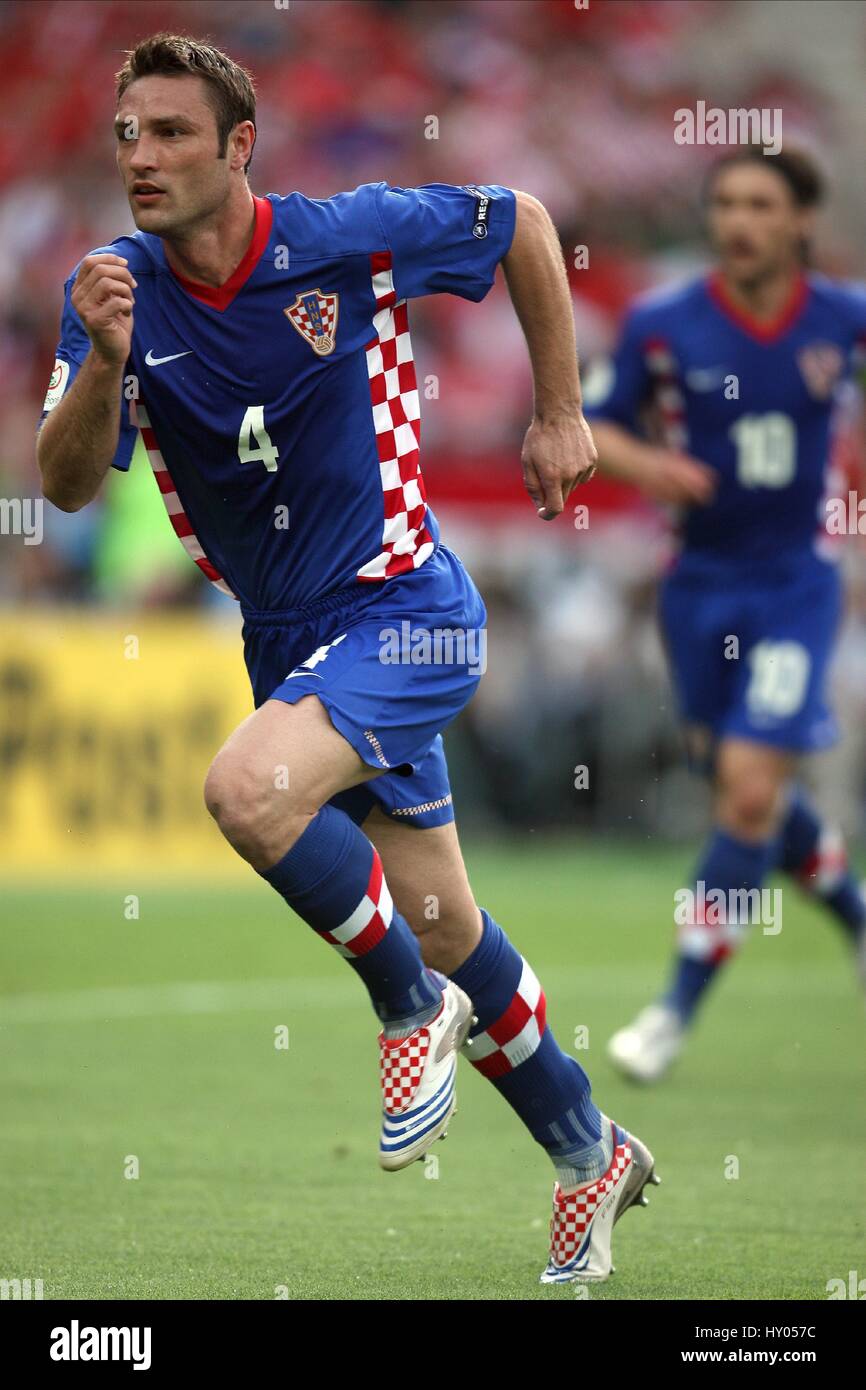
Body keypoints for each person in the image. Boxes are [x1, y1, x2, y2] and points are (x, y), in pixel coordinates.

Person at [36, 33, 657, 1283]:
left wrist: (557, 409)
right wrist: (100, 361)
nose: (139, 158)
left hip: (402, 608)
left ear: (238, 147)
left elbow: (524, 223)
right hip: (286, 642)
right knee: (443, 923)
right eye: (124, 135)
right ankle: (589, 1147)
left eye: (168, 134)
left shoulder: (348, 234)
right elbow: (59, 484)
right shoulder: (109, 290)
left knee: (245, 793)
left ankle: (402, 1012)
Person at [583, 146, 866, 1083]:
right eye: (725, 203)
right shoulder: (665, 325)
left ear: (798, 223)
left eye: (760, 204)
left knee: (745, 790)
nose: (738, 220)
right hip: (697, 588)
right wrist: (650, 467)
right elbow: (595, 425)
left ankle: (670, 1012)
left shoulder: (844, 318)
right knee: (748, 793)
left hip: (796, 583)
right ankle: (857, 919)